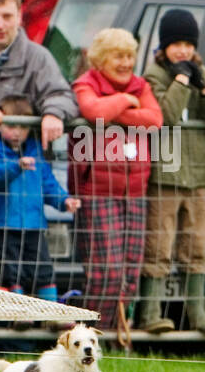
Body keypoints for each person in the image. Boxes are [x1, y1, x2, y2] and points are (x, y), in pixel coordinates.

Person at [140, 9, 205, 336]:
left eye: (188, 44)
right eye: (175, 43)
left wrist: (204, 89)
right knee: (159, 245)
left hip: (196, 175)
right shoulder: (153, 76)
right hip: (165, 174)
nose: (182, 50)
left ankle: (198, 313)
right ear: (163, 47)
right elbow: (166, 115)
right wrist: (179, 80)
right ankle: (151, 313)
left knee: (196, 246)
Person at [70, 27, 163, 331]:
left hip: (134, 192)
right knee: (104, 271)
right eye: (117, 56)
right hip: (98, 190)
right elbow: (93, 112)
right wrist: (125, 100)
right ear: (100, 59)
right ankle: (92, 332)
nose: (125, 63)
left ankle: (114, 332)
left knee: (129, 272)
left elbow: (155, 120)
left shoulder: (142, 84)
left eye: (129, 56)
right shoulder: (87, 83)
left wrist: (114, 109)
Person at [0, 95, 80, 299]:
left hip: (34, 224)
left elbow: (47, 182)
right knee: (11, 273)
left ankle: (51, 315)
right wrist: (15, 167)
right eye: (12, 126)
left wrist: (64, 201)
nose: (18, 132)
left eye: (24, 127)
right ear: (0, 125)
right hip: (5, 224)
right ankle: (17, 315)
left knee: (43, 269)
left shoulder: (35, 151)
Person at [0, 0, 78, 149]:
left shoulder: (38, 58)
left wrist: (53, 113)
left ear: (19, 16)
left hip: (19, 163)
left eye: (7, 16)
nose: (0, 25)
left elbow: (61, 95)